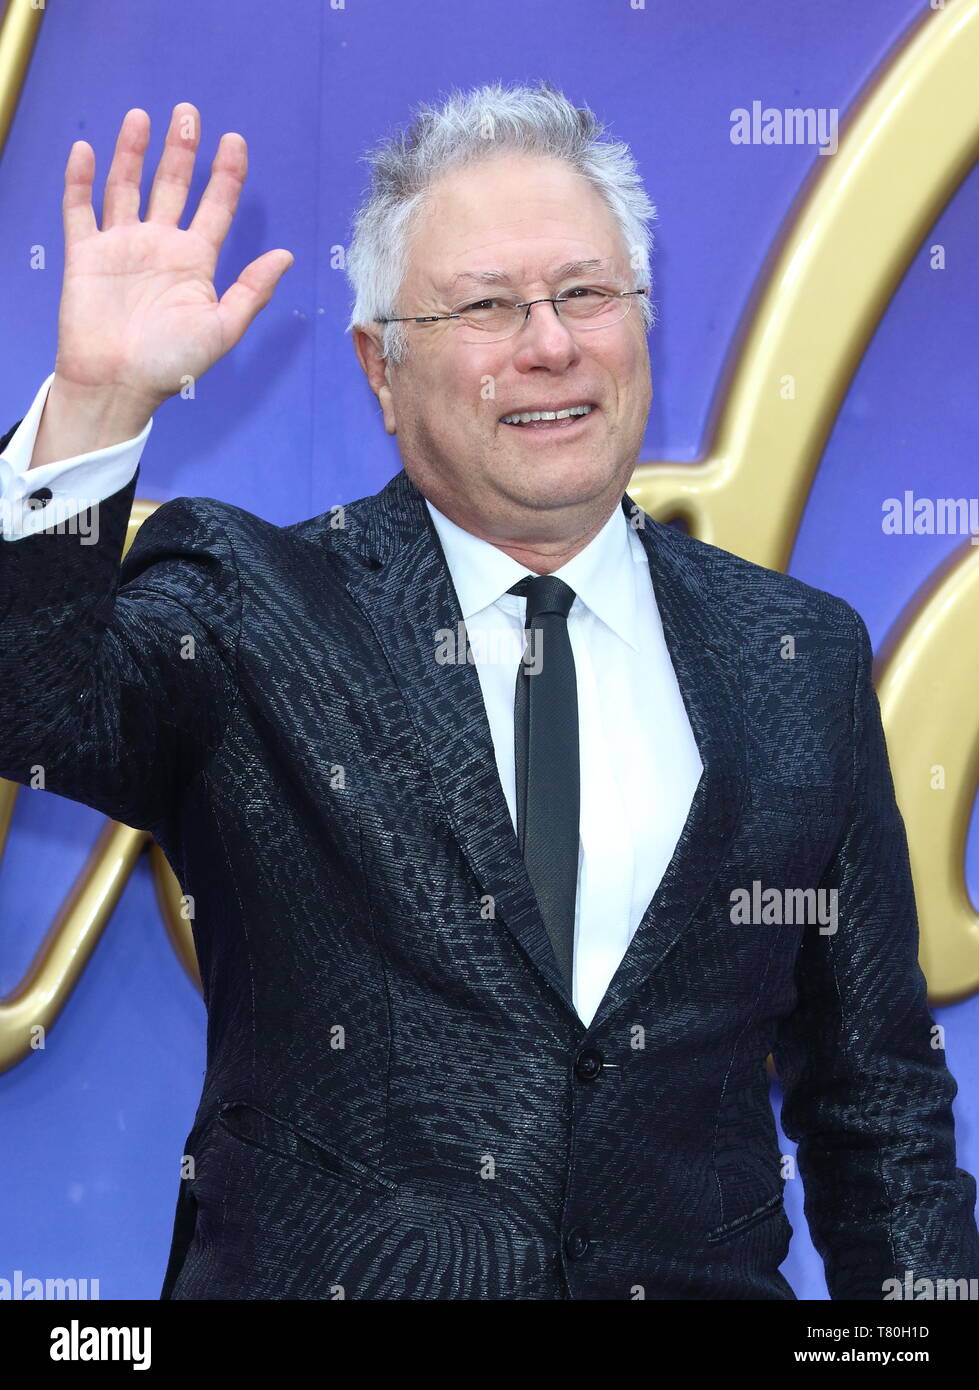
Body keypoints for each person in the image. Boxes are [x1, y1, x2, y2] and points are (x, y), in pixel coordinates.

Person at [1, 81, 976, 1301]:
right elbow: (31, 707)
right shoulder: (252, 606)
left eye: (584, 293)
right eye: (484, 306)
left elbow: (875, 1100)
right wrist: (97, 404)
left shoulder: (798, 653)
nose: (550, 343)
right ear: (380, 367)